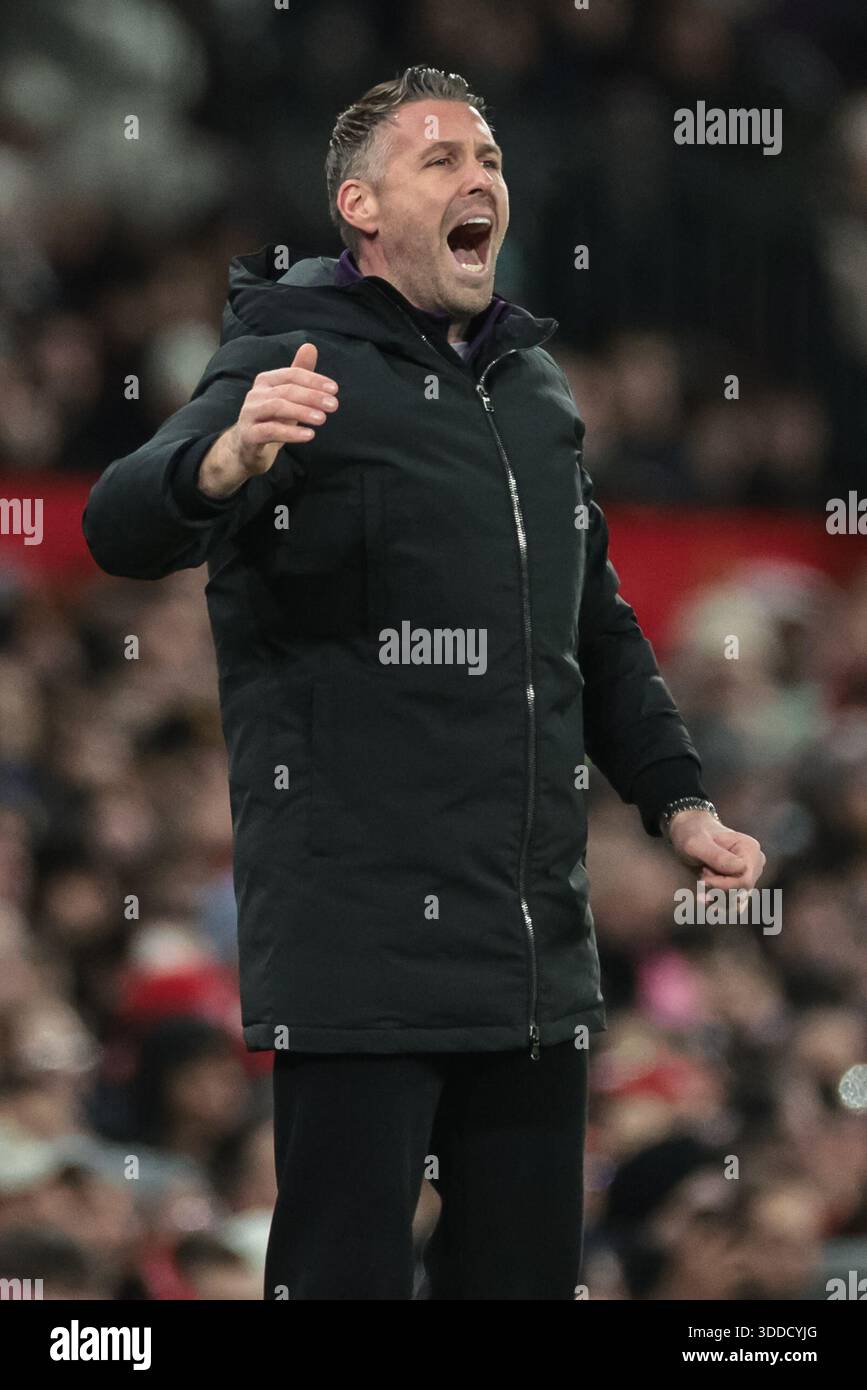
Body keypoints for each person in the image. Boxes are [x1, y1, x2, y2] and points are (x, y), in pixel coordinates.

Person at [82, 65, 765, 1300]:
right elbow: (120, 524)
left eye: (491, 160)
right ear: (359, 205)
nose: (480, 179)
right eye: (442, 159)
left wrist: (677, 800)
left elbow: (594, 626)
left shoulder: (536, 390)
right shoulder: (287, 358)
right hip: (362, 952)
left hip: (532, 951)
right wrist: (225, 459)